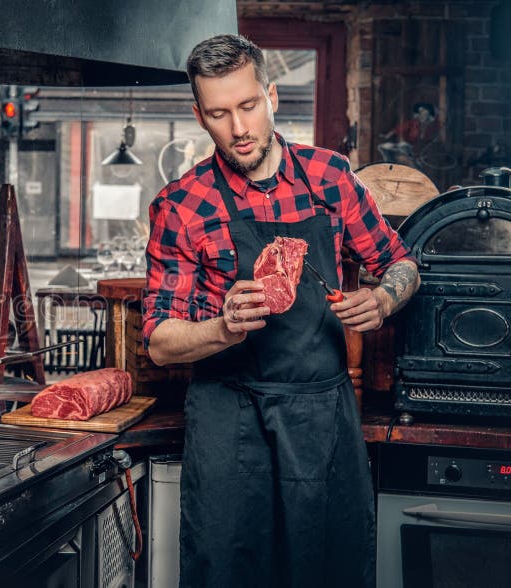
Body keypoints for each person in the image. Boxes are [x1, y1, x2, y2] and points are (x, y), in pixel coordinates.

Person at [142, 34, 420, 588]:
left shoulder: (330, 178)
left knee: (327, 569)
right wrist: (221, 328)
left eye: (248, 106)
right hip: (228, 419)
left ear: (271, 95)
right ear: (200, 116)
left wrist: (385, 299)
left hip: (320, 415)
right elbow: (158, 340)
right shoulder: (182, 204)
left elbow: (401, 262)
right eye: (220, 113)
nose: (239, 128)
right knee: (225, 571)